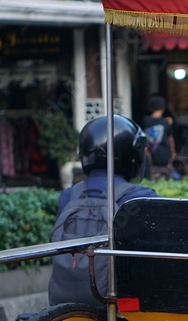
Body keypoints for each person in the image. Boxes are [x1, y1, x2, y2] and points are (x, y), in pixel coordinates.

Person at [48, 115, 156, 305]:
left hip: (63, 302)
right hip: (120, 303)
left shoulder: (69, 196)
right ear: (131, 155)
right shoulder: (141, 197)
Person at [142, 95, 176, 178]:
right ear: (163, 107)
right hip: (164, 157)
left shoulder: (145, 120)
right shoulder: (165, 122)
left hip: (150, 158)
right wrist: (173, 152)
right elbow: (170, 139)